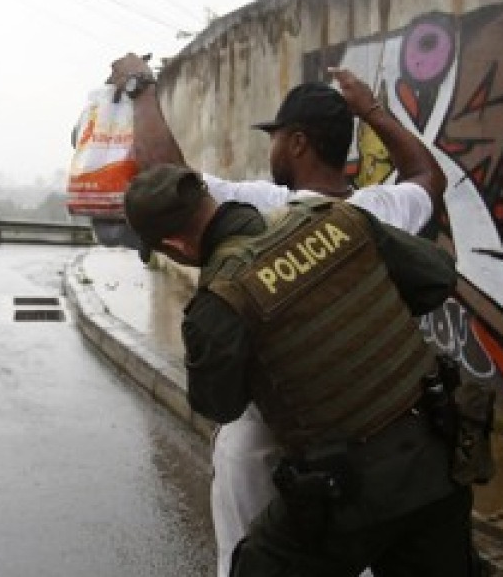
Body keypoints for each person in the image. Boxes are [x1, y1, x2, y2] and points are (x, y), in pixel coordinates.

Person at [109, 53, 448, 576]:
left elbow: (168, 184)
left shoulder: (272, 207)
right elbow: (427, 175)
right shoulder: (377, 211)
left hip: (286, 459)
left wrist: (141, 86)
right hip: (394, 444)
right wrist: (373, 111)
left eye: (275, 136)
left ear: (296, 143)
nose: (270, 148)